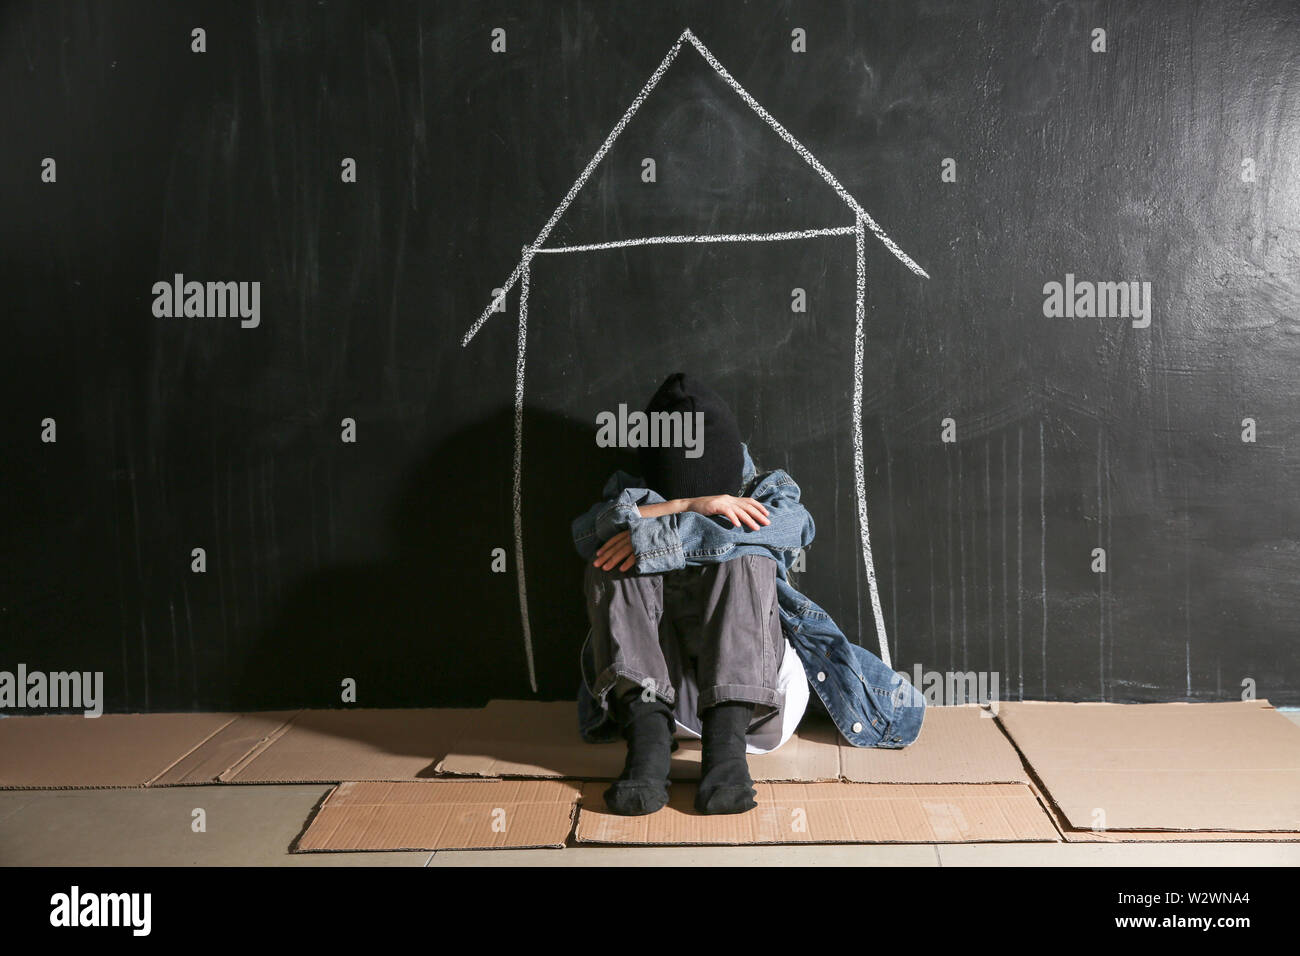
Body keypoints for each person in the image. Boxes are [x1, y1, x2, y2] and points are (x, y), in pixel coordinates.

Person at [571, 373, 926, 817]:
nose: (693, 498)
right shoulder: (628, 492)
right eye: (681, 492)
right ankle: (647, 751)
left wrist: (660, 533)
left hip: (757, 703)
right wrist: (686, 507)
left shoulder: (769, 490)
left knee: (746, 557)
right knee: (614, 558)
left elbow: (791, 528)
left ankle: (724, 755)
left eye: (706, 491)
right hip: (661, 701)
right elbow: (587, 535)